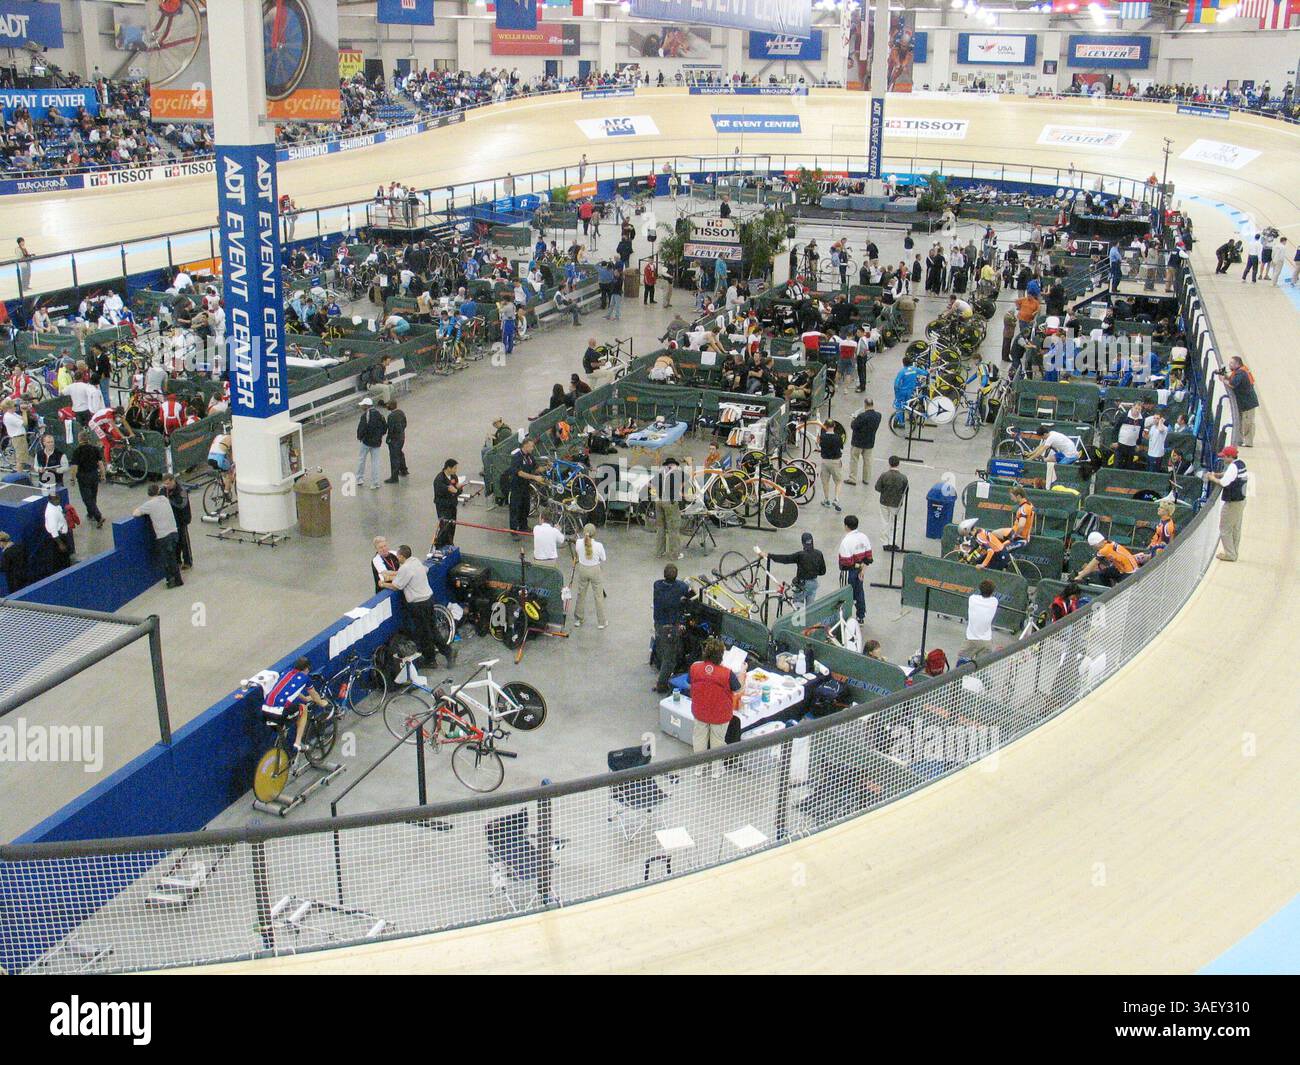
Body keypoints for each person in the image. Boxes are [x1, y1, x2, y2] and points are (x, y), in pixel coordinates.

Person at [379, 545, 456, 668]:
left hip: (418, 605)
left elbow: (396, 586)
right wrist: (392, 573)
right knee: (429, 630)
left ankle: (445, 653)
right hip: (429, 600)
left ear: (402, 557)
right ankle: (432, 659)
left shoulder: (405, 568)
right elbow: (421, 570)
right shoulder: (415, 561)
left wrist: (383, 584)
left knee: (425, 633)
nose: (397, 557)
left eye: (398, 555)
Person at [689, 637, 741, 762]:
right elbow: (737, 689)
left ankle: (698, 768)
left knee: (699, 739)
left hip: (700, 712)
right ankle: (717, 771)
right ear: (721, 655)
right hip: (720, 715)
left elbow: (691, 682)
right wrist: (743, 671)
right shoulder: (727, 673)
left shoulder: (695, 667)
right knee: (717, 742)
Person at [652, 563, 696, 694]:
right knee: (670, 660)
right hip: (671, 628)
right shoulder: (681, 587)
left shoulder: (657, 585)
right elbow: (692, 595)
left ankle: (663, 669)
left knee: (663, 649)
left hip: (659, 625)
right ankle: (662, 684)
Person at [132, 483, 182, 589]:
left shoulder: (149, 505)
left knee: (167, 560)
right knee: (172, 556)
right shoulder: (164, 499)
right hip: (173, 532)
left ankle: (172, 580)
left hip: (163, 535)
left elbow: (136, 513)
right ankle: (178, 579)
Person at [760, 532, 827, 609]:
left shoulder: (800, 555)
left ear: (802, 543)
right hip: (813, 584)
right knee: (810, 610)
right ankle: (809, 619)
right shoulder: (819, 553)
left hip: (802, 585)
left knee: (798, 612)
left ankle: (800, 619)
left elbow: (785, 559)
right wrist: (812, 571)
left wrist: (769, 555)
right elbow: (823, 572)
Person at [1204, 444, 1247, 562]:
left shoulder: (1233, 467)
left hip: (1233, 503)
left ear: (1230, 457)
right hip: (1241, 501)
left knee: (1225, 528)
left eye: (1224, 457)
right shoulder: (1240, 463)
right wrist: (1218, 474)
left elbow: (1224, 482)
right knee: (1235, 528)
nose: (1223, 458)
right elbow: (1230, 475)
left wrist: (1212, 478)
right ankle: (1233, 552)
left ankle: (1230, 554)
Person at [837, 514, 872, 625]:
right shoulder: (864, 537)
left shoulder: (846, 541)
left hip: (848, 573)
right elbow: (869, 557)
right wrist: (862, 569)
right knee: (859, 592)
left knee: (845, 594)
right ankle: (860, 617)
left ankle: (845, 617)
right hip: (860, 571)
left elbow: (846, 562)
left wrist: (856, 566)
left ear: (846, 526)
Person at [571, 523, 607, 628]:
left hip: (583, 569)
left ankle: (578, 619)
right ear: (594, 533)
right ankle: (601, 622)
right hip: (595, 569)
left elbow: (576, 554)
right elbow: (603, 558)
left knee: (581, 594)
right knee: (598, 596)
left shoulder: (578, 543)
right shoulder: (599, 545)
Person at [507, 437, 544, 539]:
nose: (533, 448)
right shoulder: (516, 457)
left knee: (525, 507)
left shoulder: (530, 457)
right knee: (515, 508)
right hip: (516, 487)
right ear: (525, 445)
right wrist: (534, 477)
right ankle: (514, 531)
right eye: (531, 446)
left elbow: (535, 468)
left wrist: (546, 467)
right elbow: (520, 473)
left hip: (526, 487)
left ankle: (523, 526)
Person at [1220, 357, 1258, 447]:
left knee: (1248, 423)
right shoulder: (1238, 372)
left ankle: (1249, 442)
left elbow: (1233, 384)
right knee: (1240, 422)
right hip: (1242, 403)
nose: (1230, 365)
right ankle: (1239, 440)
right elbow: (1232, 379)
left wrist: (1223, 380)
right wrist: (1224, 375)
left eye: (1232, 363)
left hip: (1248, 403)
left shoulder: (1241, 373)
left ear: (1238, 364)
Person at [959, 580, 999, 664]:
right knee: (982, 669)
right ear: (992, 592)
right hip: (986, 642)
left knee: (961, 667)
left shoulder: (972, 598)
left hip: (970, 640)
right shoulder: (994, 601)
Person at [653, 457, 684, 560]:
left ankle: (659, 552)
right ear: (674, 465)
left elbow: (650, 484)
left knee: (660, 528)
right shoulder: (677, 472)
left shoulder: (660, 471)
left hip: (658, 502)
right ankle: (674, 554)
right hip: (670, 503)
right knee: (673, 529)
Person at [161, 473, 193, 571]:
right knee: (175, 541)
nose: (167, 486)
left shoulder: (181, 490)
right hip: (171, 520)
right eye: (165, 484)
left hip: (182, 519)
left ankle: (188, 561)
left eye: (168, 484)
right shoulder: (163, 490)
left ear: (173, 480)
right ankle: (177, 560)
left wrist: (168, 501)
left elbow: (182, 504)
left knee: (184, 541)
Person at [355, 397, 386, 490]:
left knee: (361, 459)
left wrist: (360, 437)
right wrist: (379, 436)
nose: (361, 407)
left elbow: (362, 428)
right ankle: (375, 483)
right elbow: (384, 427)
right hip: (376, 443)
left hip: (366, 442)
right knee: (375, 462)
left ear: (366, 406)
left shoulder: (365, 416)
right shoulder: (379, 415)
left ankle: (359, 478)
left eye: (363, 405)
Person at [993, 485, 1035, 551]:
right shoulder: (1029, 504)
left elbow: (1021, 526)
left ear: (1018, 496)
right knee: (993, 534)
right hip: (1015, 532)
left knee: (1000, 551)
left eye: (1012, 497)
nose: (1011, 499)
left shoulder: (1023, 508)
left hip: (1020, 537)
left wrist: (1015, 536)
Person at [431, 458, 460, 550]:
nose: (456, 470)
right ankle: (439, 544)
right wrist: (450, 490)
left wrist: (457, 490)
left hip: (452, 505)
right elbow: (440, 492)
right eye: (454, 468)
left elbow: (457, 490)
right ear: (448, 468)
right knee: (444, 526)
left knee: (452, 525)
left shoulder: (454, 477)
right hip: (443, 506)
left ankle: (450, 543)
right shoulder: (439, 479)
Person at [818, 421, 844, 512]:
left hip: (825, 461)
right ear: (834, 426)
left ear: (825, 426)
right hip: (836, 462)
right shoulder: (838, 437)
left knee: (825, 482)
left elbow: (819, 445)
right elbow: (841, 447)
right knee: (838, 481)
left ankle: (826, 500)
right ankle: (836, 499)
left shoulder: (823, 437)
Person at [383, 400, 408, 483]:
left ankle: (394, 477)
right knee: (399, 453)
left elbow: (391, 429)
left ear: (391, 406)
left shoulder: (391, 416)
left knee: (394, 457)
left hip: (394, 439)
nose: (386, 406)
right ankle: (404, 470)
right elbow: (405, 423)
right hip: (401, 437)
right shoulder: (401, 413)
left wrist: (388, 438)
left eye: (388, 405)